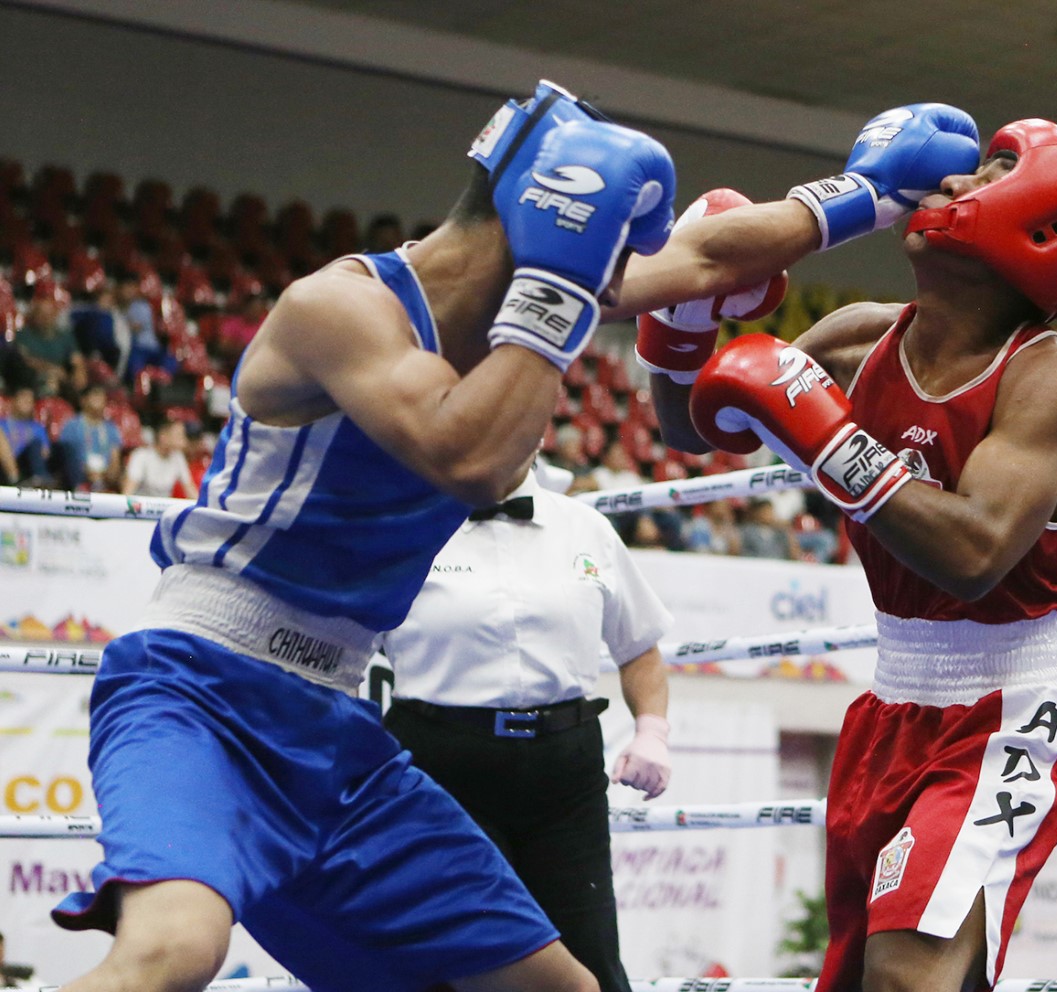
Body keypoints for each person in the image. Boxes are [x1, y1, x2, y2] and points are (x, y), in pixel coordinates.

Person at [51, 79, 677, 992]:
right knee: (172, 950)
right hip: (203, 691)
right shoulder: (339, 306)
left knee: (563, 988)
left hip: (340, 730)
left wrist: (864, 198)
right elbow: (469, 461)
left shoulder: (506, 308)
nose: (615, 277)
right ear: (537, 228)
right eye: (601, 247)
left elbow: (702, 257)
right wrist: (556, 290)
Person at [614, 106, 1057, 990]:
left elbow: (974, 555)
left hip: (1006, 712)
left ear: (1039, 221)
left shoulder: (1046, 376)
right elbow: (703, 426)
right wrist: (681, 336)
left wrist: (832, 443)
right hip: (889, 706)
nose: (953, 181)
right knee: (869, 980)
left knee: (907, 976)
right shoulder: (861, 338)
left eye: (989, 171)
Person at [379, 457, 672, 992]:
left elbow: (641, 649)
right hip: (441, 769)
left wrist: (652, 729)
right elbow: (344, 650)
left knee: (592, 959)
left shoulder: (586, 529)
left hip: (565, 772)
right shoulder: (405, 527)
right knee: (462, 962)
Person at [14, 294, 86, 397]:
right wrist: (50, 368)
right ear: (33, 315)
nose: (46, 318)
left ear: (55, 314)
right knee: (50, 381)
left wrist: (79, 371)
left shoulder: (64, 335)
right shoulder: (23, 335)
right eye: (41, 315)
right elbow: (24, 359)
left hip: (63, 377)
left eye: (49, 314)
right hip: (35, 377)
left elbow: (76, 359)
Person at [58, 383, 124, 491]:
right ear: (83, 401)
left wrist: (105, 476)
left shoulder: (111, 429)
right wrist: (88, 472)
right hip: (78, 477)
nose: (99, 400)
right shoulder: (72, 425)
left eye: (102, 397)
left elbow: (115, 460)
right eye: (95, 395)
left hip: (104, 478)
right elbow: (67, 455)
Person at [121, 417, 197, 498]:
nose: (184, 440)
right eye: (179, 435)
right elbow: (127, 493)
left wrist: (201, 508)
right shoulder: (141, 456)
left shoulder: (178, 457)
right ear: (163, 437)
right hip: (140, 507)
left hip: (164, 508)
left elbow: (190, 489)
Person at [0, 386, 55, 486]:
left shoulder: (38, 427)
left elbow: (45, 452)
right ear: (13, 401)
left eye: (30, 401)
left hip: (28, 464)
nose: (27, 402)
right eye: (23, 399)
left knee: (36, 443)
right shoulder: (2, 423)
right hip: (4, 465)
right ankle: (15, 478)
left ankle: (40, 478)